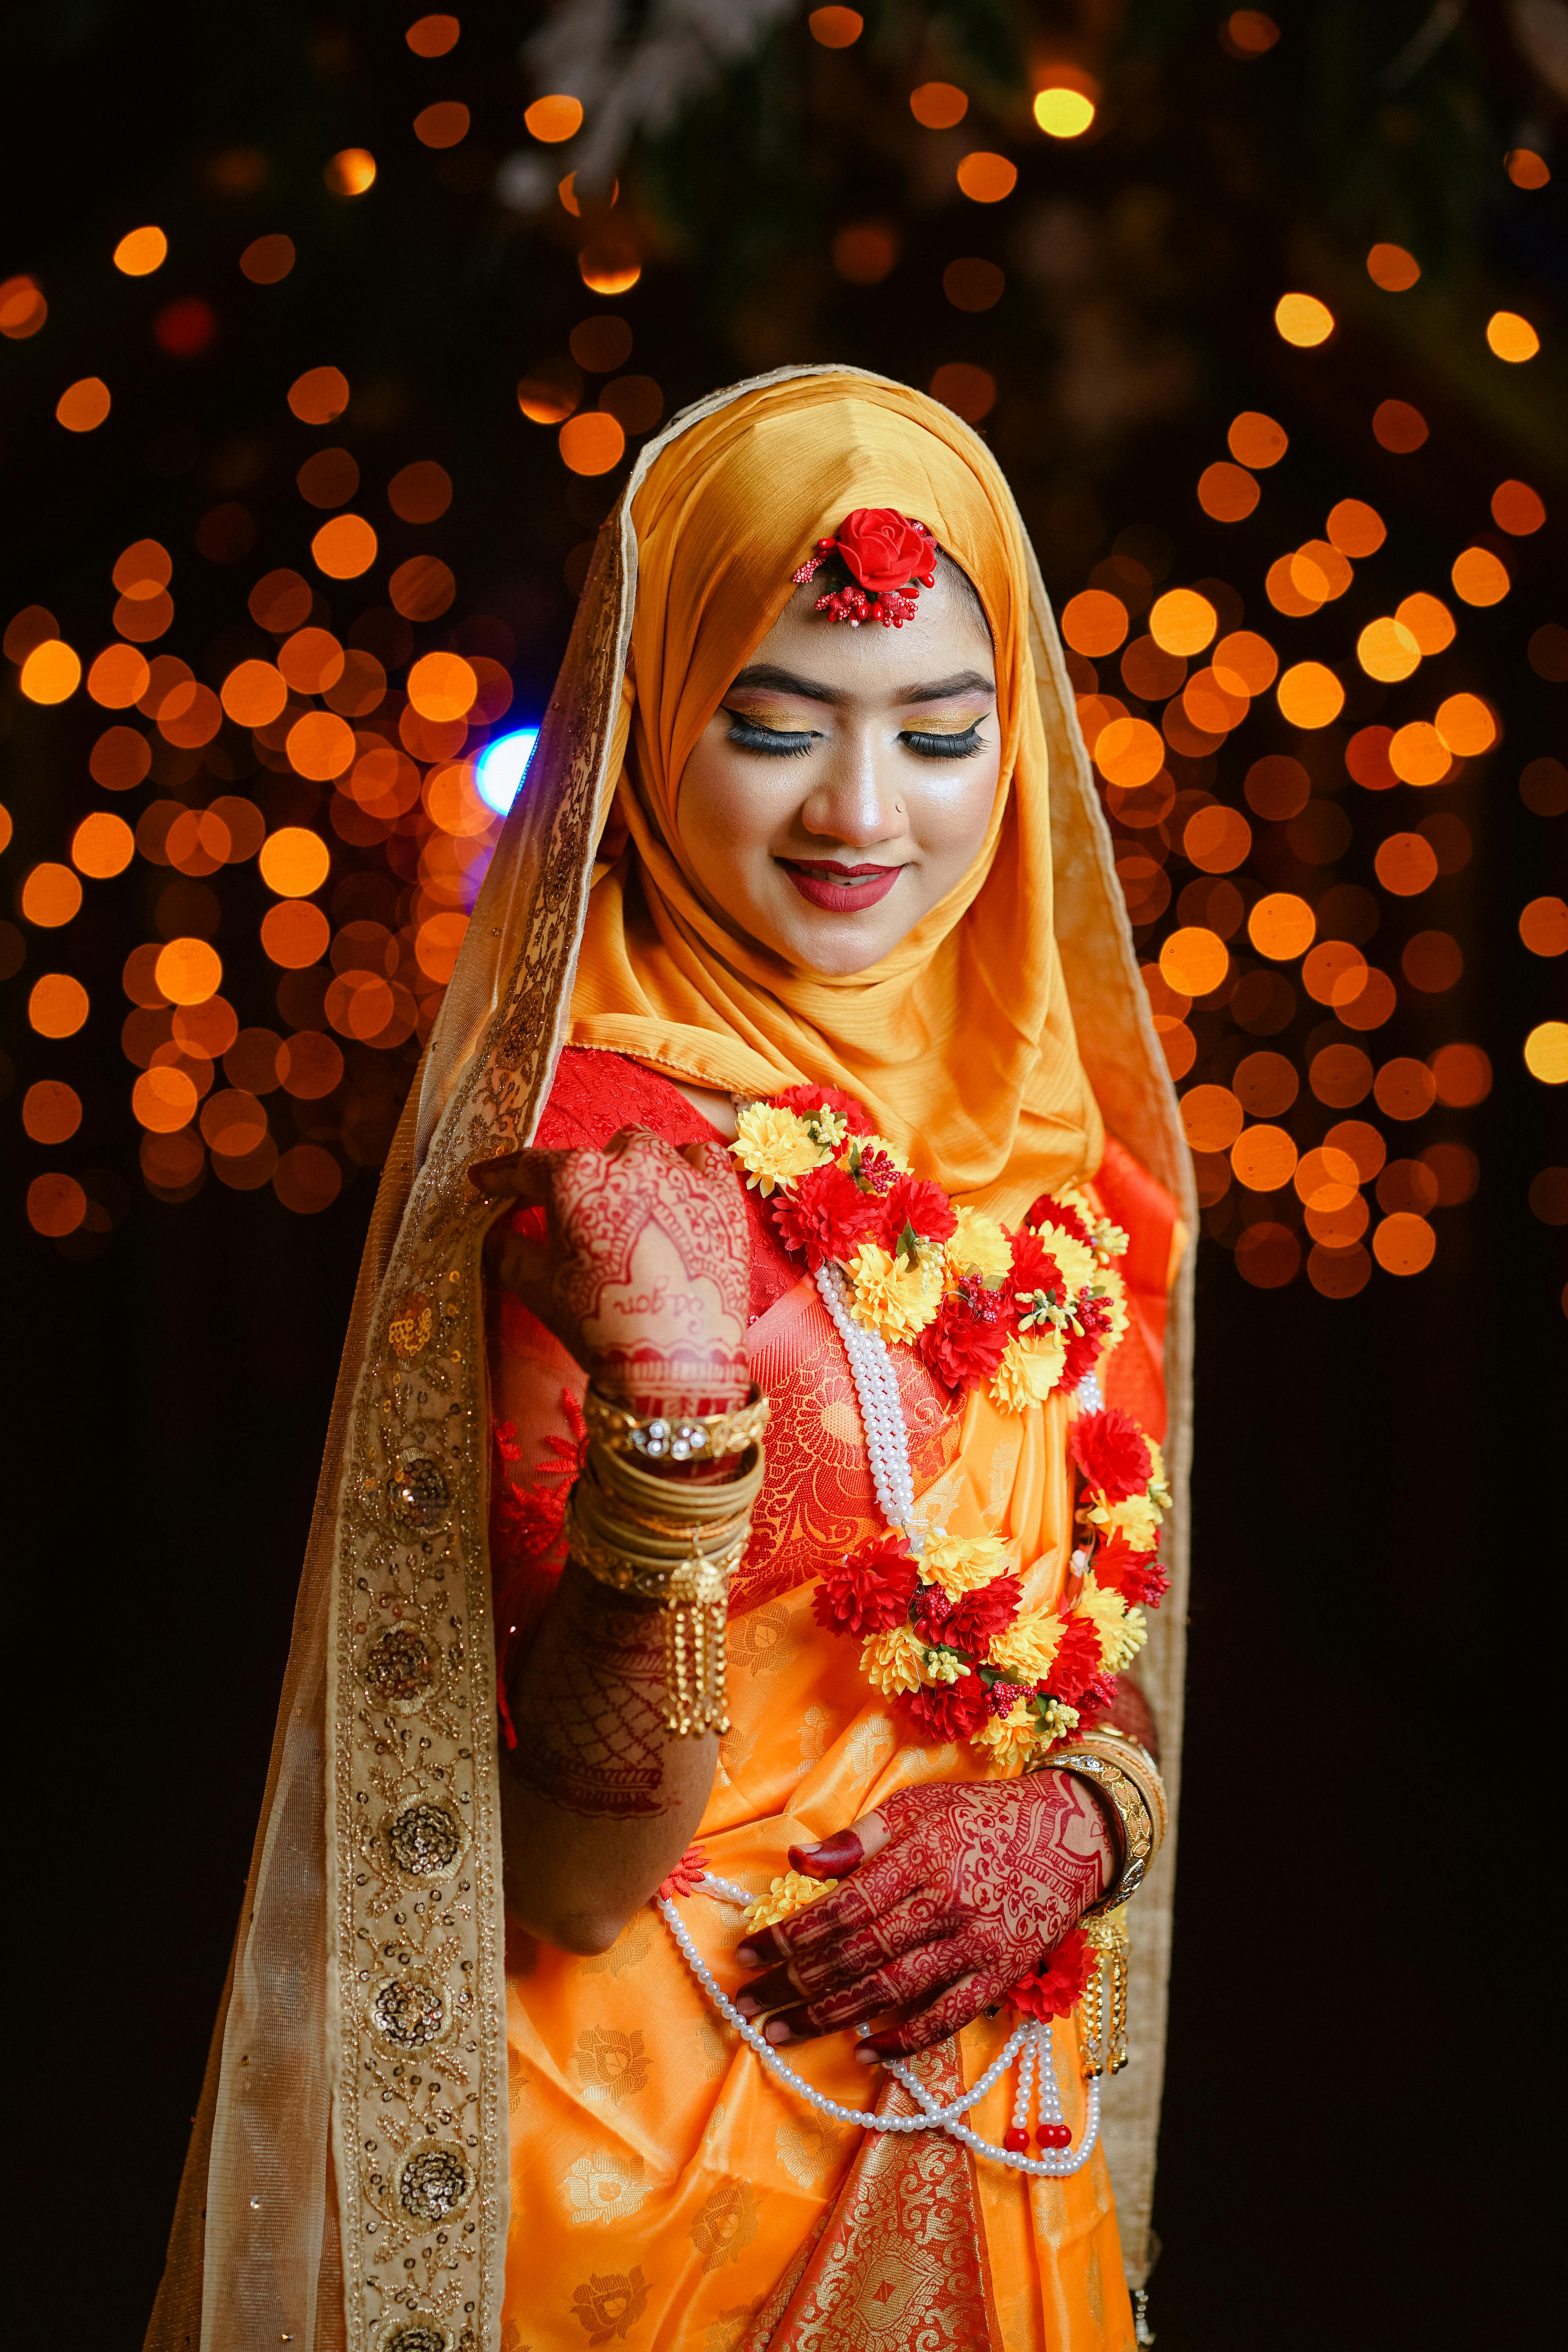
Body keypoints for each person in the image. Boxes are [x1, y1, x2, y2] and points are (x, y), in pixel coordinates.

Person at [148, 368, 1193, 2352]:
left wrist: (1080, 1819)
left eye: (939, 732)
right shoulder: (595, 1162)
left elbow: (1097, 1630)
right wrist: (679, 1414)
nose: (862, 812)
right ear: (648, 730)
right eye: (775, 725)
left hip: (988, 2135)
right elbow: (573, 1872)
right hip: (643, 2167)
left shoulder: (1058, 1144)